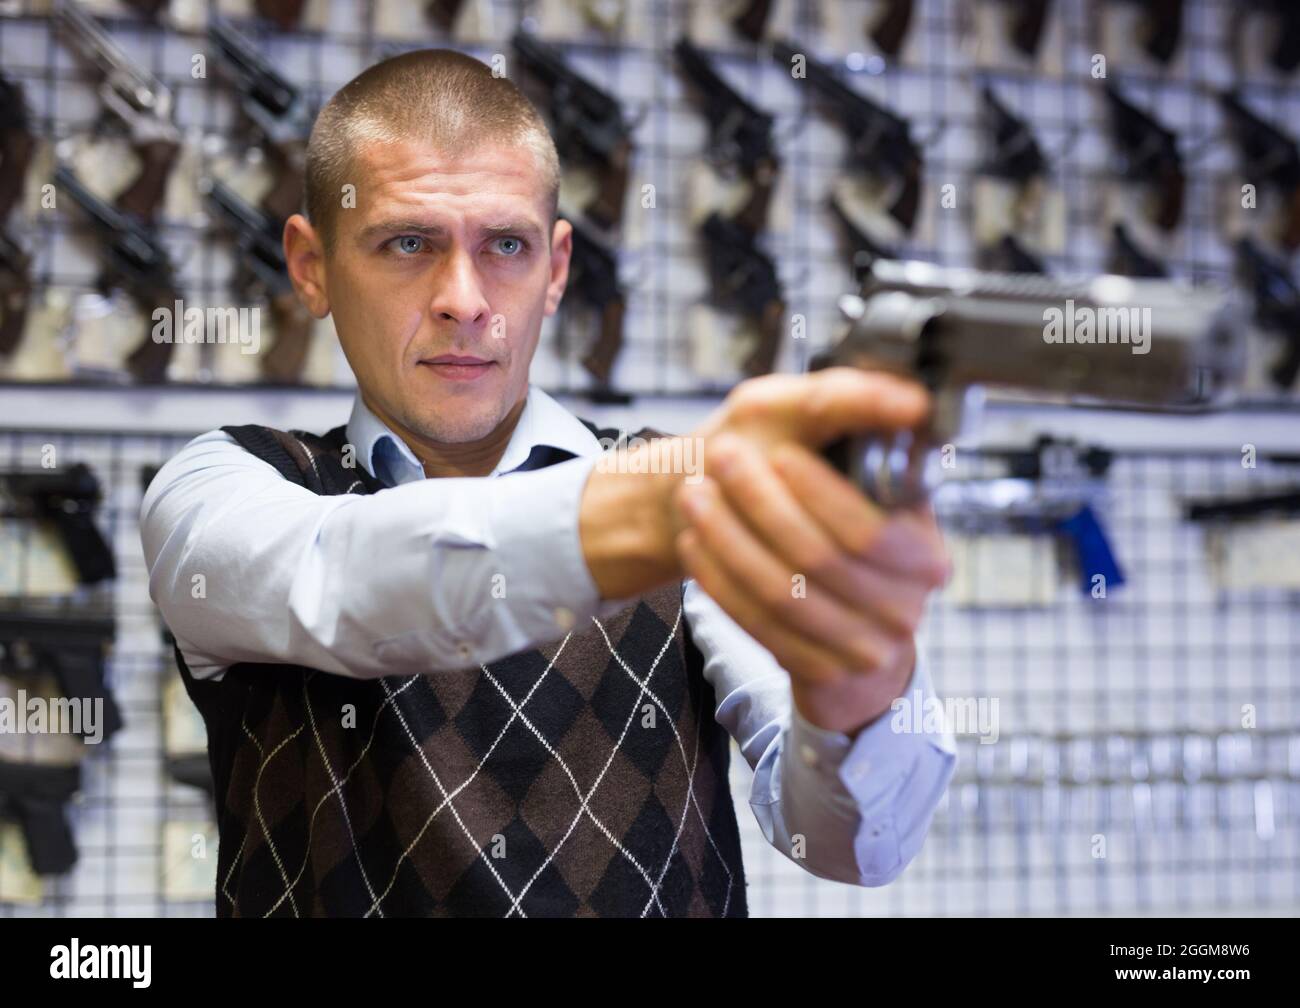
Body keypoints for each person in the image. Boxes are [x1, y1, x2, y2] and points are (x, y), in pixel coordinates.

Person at [140, 48, 955, 918]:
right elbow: (344, 579)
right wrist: (680, 506)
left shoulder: (678, 491)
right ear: (311, 266)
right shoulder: (220, 489)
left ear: (557, 269)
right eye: (408, 243)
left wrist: (860, 674)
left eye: (506, 246)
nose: (463, 299)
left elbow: (855, 845)